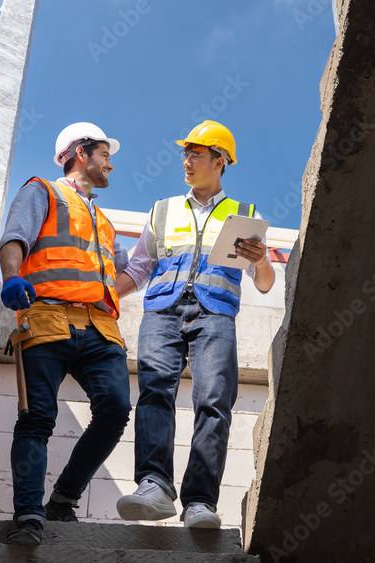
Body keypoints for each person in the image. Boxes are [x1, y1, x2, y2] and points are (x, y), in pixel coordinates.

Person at [114, 120, 275, 528]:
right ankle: (155, 485)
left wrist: (259, 259)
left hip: (216, 314)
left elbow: (266, 282)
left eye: (196, 154)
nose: (186, 160)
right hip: (162, 311)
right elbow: (139, 268)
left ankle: (200, 502)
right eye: (185, 153)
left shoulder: (245, 215)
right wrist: (100, 296)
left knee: (214, 403)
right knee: (154, 393)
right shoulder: (162, 210)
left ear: (220, 162)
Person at [0, 122, 132, 545]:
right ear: (81, 153)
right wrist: (10, 277)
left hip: (99, 329)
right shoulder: (43, 191)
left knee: (114, 409)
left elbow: (129, 269)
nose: (110, 162)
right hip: (47, 319)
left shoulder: (103, 222)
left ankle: (63, 499)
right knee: (37, 418)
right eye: (104, 154)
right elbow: (14, 236)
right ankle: (29, 517)